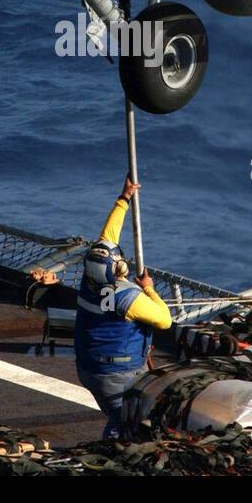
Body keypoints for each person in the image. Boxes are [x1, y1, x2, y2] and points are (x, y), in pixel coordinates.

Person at [73, 177, 173, 439]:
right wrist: (149, 288)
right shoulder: (127, 297)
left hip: (88, 367)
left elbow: (107, 237)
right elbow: (164, 320)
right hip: (116, 375)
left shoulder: (89, 282)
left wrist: (124, 198)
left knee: (121, 417)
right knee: (129, 424)